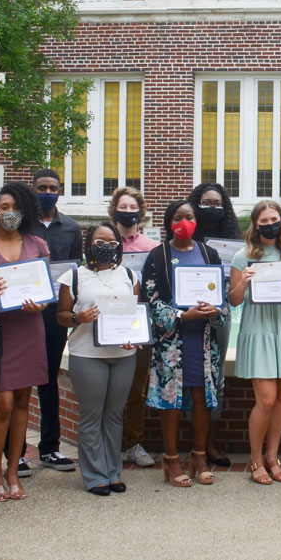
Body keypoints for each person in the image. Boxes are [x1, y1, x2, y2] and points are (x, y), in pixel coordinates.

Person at [0, 183, 51, 502]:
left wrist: (40, 305)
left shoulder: (38, 244)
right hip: (0, 332)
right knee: (2, 403)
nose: (9, 212)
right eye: (4, 207)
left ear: (25, 210)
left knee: (22, 403)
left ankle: (13, 470)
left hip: (30, 329)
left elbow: (45, 294)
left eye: (15, 206)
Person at [141, 201, 228, 487]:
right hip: (172, 341)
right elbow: (151, 300)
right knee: (172, 400)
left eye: (189, 217)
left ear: (196, 221)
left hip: (203, 340)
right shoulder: (157, 256)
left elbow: (221, 294)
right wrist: (180, 315)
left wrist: (216, 311)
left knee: (202, 396)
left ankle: (199, 456)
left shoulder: (209, 253)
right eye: (178, 218)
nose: (184, 222)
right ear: (169, 223)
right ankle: (171, 459)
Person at [229, 200, 281, 485]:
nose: (269, 224)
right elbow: (234, 300)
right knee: (266, 399)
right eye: (264, 220)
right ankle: (255, 459)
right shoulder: (243, 256)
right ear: (255, 224)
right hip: (259, 329)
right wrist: (244, 282)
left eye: (274, 219)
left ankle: (273, 457)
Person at [58, 222, 138, 496]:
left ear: (119, 245)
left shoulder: (129, 275)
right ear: (89, 244)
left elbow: (135, 314)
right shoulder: (74, 277)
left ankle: (113, 471)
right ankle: (94, 475)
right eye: (99, 242)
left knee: (115, 415)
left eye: (111, 243)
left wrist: (133, 335)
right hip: (87, 354)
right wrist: (77, 318)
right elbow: (61, 316)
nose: (106, 248)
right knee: (92, 415)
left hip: (123, 354)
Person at [24, 168, 81, 477]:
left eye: (53, 187)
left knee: (48, 381)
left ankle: (50, 447)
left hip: (53, 316)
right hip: (23, 314)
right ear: (33, 190)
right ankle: (16, 451)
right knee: (19, 382)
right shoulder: (21, 227)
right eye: (42, 187)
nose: (47, 192)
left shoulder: (71, 228)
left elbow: (73, 275)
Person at [187, 181, 241, 468]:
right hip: (188, 316)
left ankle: (211, 444)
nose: (211, 208)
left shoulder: (232, 242)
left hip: (219, 314)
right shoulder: (184, 240)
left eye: (217, 203)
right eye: (205, 203)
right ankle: (192, 443)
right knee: (191, 377)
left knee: (216, 378)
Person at [108, 185, 161, 470]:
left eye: (133, 208)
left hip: (140, 324)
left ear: (140, 212)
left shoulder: (152, 248)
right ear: (114, 210)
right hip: (109, 323)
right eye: (123, 207)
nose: (128, 212)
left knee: (137, 389)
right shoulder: (104, 242)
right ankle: (111, 444)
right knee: (109, 389)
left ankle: (134, 443)